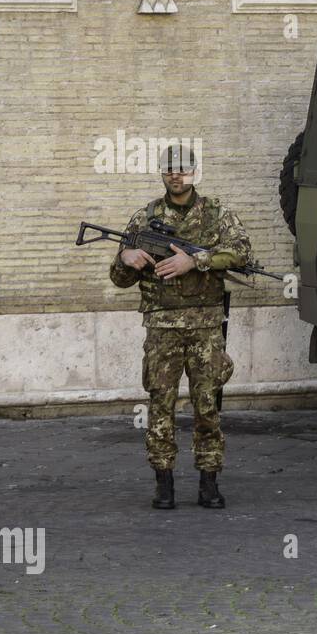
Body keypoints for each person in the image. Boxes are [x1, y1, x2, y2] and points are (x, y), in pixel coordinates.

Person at [109, 143, 253, 509]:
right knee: (161, 406)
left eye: (184, 168)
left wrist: (196, 261)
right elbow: (119, 278)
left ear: (194, 172)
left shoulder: (217, 215)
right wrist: (126, 257)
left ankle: (209, 482)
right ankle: (164, 484)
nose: (177, 174)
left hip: (205, 325)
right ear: (162, 173)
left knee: (208, 406)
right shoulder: (144, 219)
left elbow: (242, 253)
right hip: (162, 326)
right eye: (170, 169)